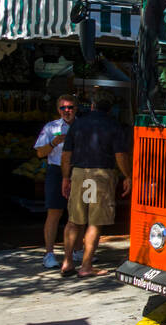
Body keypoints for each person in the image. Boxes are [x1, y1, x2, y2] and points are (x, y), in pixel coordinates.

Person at [60, 94, 131, 278]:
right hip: (101, 174)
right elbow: (120, 155)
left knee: (74, 220)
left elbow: (66, 154)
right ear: (110, 109)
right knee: (95, 222)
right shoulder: (113, 125)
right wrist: (127, 175)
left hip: (79, 173)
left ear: (92, 106)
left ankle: (67, 262)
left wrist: (65, 177)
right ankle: (86, 266)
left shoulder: (78, 123)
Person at [34, 95, 80, 269]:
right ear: (58, 110)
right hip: (56, 170)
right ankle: (49, 253)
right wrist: (53, 142)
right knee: (54, 212)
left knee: (79, 213)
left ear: (76, 108)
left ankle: (77, 250)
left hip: (78, 170)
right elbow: (39, 153)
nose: (66, 111)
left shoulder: (82, 125)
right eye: (63, 108)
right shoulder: (51, 127)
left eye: (70, 107)